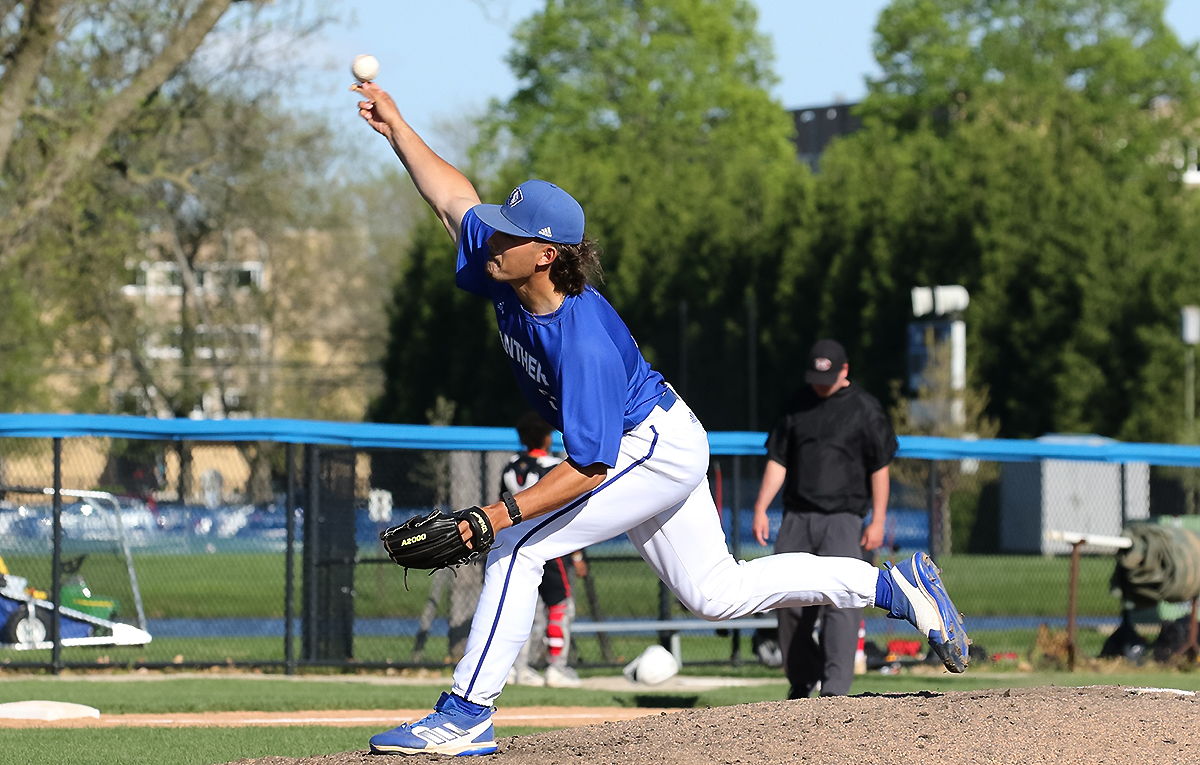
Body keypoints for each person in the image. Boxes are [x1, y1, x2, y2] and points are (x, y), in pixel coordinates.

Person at [354, 79, 970, 757]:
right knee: (717, 592)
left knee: (519, 545)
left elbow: (589, 468)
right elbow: (453, 197)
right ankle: (894, 586)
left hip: (647, 445)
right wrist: (398, 126)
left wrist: (491, 517)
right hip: (652, 436)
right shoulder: (505, 263)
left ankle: (467, 712)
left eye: (512, 231)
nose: (493, 235)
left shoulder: (580, 342)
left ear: (547, 254)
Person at [751, 338, 898, 699]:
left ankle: (834, 690)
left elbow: (880, 467)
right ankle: (803, 679)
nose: (821, 383)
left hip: (844, 519)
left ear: (844, 371)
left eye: (829, 376)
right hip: (798, 517)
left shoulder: (865, 409)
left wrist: (878, 520)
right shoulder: (796, 405)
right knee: (785, 598)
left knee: (842, 602)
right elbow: (778, 460)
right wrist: (760, 507)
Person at [502, 411, 587, 689]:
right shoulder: (553, 466)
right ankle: (556, 667)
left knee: (525, 608)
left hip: (517, 540)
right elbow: (567, 508)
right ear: (546, 437)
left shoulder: (510, 467)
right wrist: (577, 553)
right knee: (560, 606)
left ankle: (518, 668)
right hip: (550, 544)